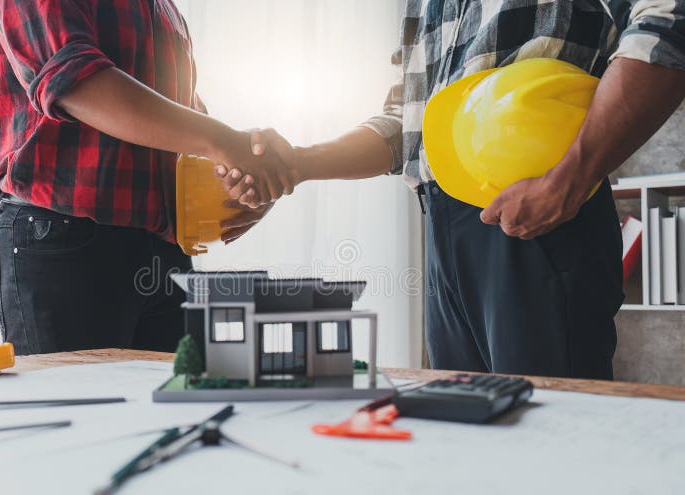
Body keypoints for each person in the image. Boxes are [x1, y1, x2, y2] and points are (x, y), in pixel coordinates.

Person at [217, 0, 685, 379]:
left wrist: (571, 178)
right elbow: (406, 123)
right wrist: (296, 163)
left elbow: (667, 20)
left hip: (543, 217)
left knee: (553, 439)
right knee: (474, 431)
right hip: (444, 223)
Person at [0, 0, 288, 355]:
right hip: (62, 240)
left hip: (161, 249)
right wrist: (227, 145)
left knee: (175, 407)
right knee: (84, 407)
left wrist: (236, 182)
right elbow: (75, 81)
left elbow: (180, 121)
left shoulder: (161, 6)